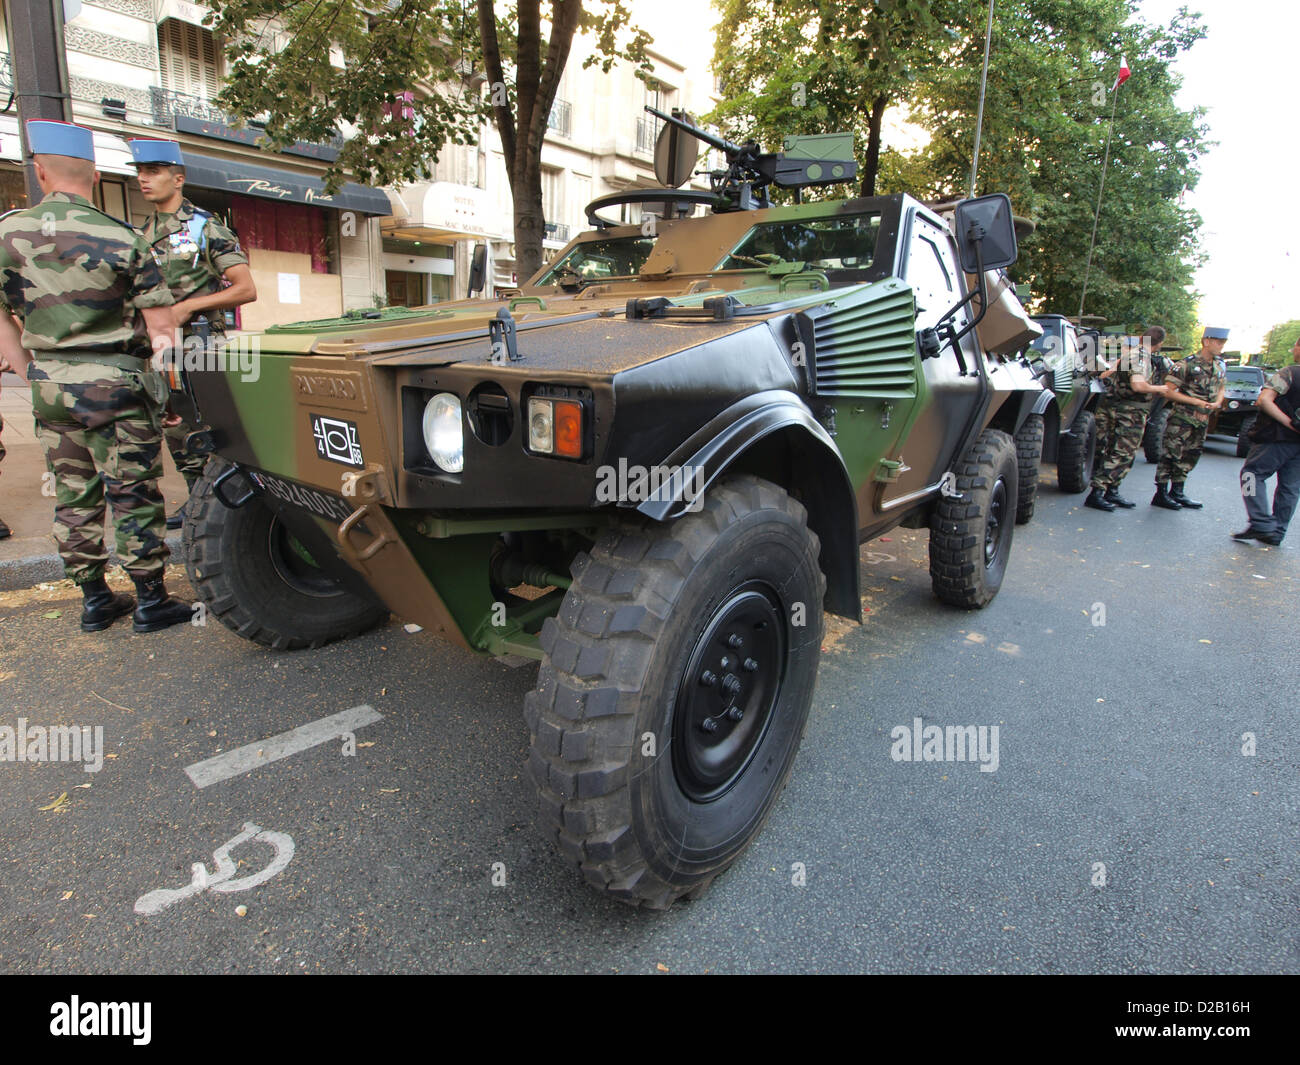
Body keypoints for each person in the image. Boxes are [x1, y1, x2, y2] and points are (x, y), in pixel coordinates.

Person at [0, 120, 193, 632]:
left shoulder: (6, 233)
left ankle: (94, 601)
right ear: (94, 174)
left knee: (73, 493)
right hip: (118, 388)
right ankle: (151, 601)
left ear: (41, 173)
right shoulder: (124, 237)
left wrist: (32, 373)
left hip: (50, 389)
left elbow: (1, 320)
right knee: (132, 491)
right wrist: (169, 395)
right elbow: (161, 328)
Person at [128, 138, 256, 528]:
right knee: (175, 428)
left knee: (207, 429)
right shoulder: (141, 231)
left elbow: (245, 288)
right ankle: (197, 501)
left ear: (178, 178)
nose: (143, 180)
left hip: (199, 342)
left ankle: (223, 507)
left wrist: (187, 307)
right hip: (161, 346)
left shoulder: (204, 226)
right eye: (140, 172)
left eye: (153, 172)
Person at [1087, 326, 1169, 511]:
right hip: (1130, 412)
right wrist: (1160, 389)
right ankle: (1098, 492)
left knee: (1119, 452)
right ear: (1160, 344)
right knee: (1122, 453)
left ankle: (1112, 491)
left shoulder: (1131, 354)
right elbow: (1138, 385)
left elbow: (1108, 375)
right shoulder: (1140, 356)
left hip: (1120, 408)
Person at [1233, 335, 1300, 545]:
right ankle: (1277, 532)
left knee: (1250, 475)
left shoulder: (1290, 373)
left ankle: (1261, 522)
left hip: (1276, 438)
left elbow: (1264, 400)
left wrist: (1289, 423)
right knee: (1290, 487)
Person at [1152, 326, 1228, 509]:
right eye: (1219, 342)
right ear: (1207, 341)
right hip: (1182, 418)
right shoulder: (1186, 364)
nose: (1221, 347)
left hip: (1203, 419)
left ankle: (1177, 491)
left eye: (1223, 343)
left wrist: (1217, 402)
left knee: (1191, 454)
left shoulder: (1220, 364)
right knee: (1171, 453)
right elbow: (1168, 392)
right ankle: (1161, 493)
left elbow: (1222, 386)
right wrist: (1195, 402)